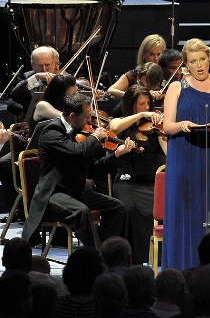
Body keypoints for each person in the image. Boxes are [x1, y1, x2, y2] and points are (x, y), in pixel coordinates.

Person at [160, 39, 210, 270]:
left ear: (209, 59)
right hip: (184, 156)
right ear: (186, 64)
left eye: (202, 59)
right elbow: (167, 126)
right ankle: (182, 269)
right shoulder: (176, 87)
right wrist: (181, 124)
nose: (199, 65)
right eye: (193, 61)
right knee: (185, 212)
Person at [23, 92, 134, 249]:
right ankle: (96, 256)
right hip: (53, 193)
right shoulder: (51, 133)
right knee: (81, 211)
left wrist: (116, 155)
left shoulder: (80, 134)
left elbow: (93, 170)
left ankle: (107, 249)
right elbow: (77, 152)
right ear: (72, 116)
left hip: (75, 190)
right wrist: (94, 138)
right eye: (87, 116)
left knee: (116, 207)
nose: (89, 121)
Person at [107, 86, 167, 265]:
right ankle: (130, 258)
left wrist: (163, 132)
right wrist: (141, 115)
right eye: (142, 104)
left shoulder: (156, 126)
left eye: (148, 103)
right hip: (127, 182)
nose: (147, 107)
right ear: (131, 105)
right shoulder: (121, 122)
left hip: (151, 183)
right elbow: (114, 127)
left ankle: (157, 257)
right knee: (128, 208)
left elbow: (168, 154)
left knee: (161, 210)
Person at [106, 34, 166, 100]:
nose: (156, 59)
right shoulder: (133, 75)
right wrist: (137, 95)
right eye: (151, 54)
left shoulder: (166, 75)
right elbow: (110, 91)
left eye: (159, 54)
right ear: (143, 55)